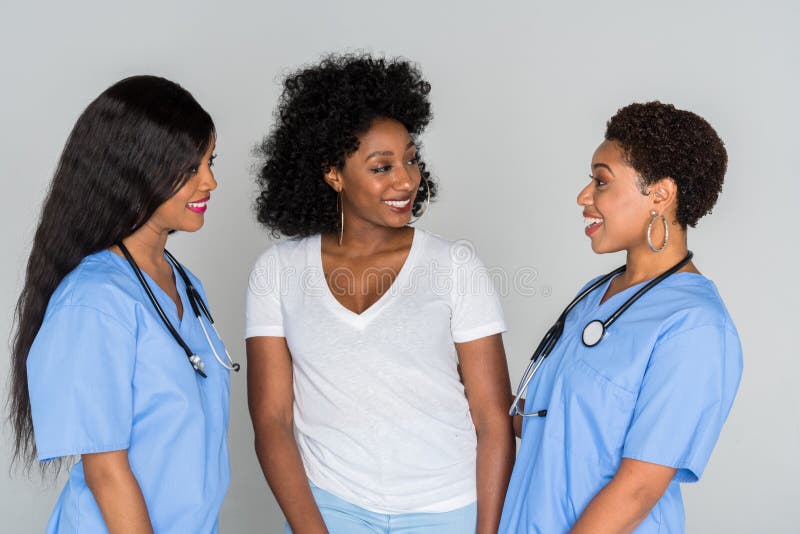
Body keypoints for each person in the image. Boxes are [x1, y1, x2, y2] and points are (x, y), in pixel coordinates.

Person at [246, 54, 515, 534]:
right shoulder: (278, 272)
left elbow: (493, 419)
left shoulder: (455, 266)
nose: (406, 180)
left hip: (448, 508)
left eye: (411, 159)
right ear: (333, 174)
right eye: (382, 166)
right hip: (331, 506)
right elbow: (272, 421)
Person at [500, 101, 743, 533]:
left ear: (661, 195)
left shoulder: (695, 325)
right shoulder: (593, 296)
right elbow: (540, 421)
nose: (583, 196)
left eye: (600, 182)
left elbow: (639, 488)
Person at [8, 75, 233, 533]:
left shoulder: (187, 286)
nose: (210, 181)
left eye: (210, 161)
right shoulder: (94, 300)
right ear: (136, 168)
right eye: (190, 168)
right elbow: (107, 474)